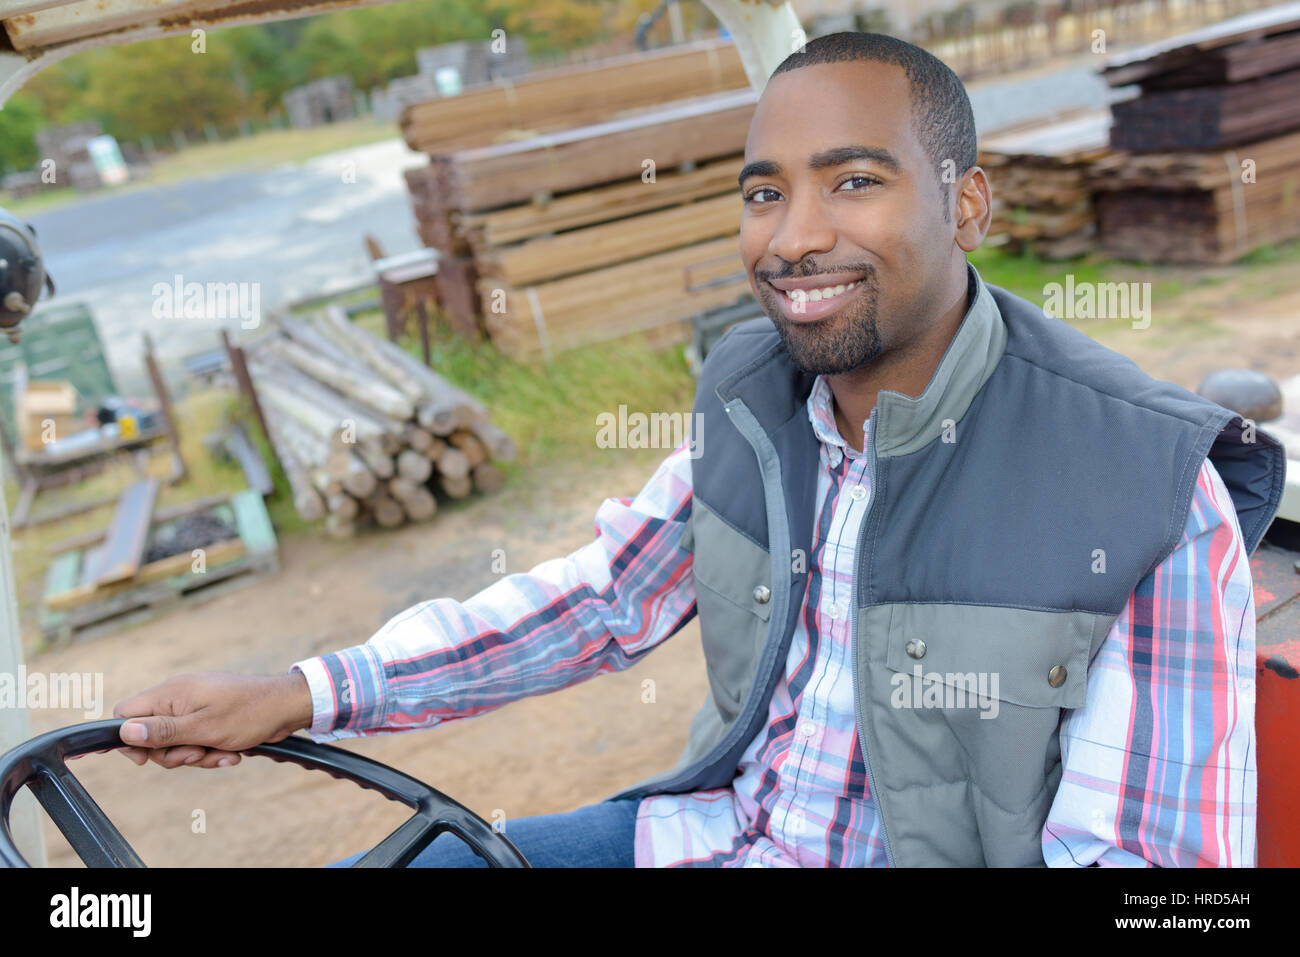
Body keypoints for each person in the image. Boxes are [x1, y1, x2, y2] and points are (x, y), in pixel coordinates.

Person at [112, 32, 1284, 867]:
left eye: (855, 182)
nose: (795, 237)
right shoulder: (754, 400)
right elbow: (599, 600)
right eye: (762, 193)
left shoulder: (1143, 493)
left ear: (967, 205)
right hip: (712, 835)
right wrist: (306, 692)